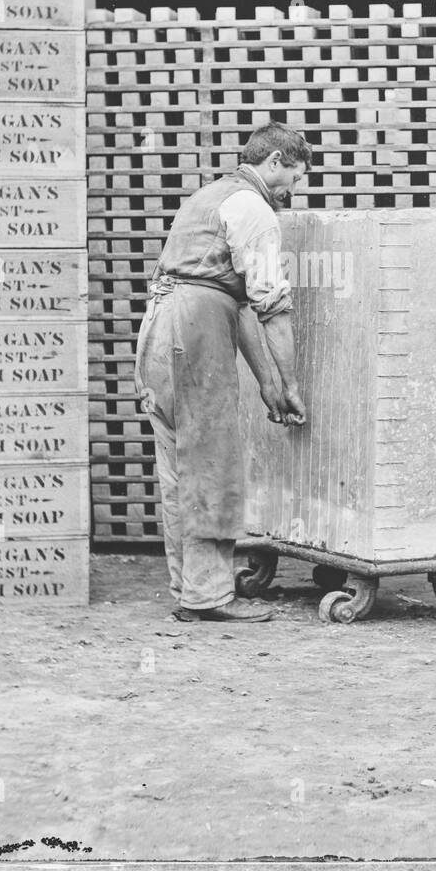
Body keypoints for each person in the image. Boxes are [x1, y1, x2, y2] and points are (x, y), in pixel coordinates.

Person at [134, 122, 311, 624]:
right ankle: (209, 597)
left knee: (178, 466)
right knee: (210, 461)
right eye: (292, 179)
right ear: (273, 160)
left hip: (160, 331)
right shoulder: (254, 209)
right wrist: (292, 385)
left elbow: (236, 306)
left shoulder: (210, 195)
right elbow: (271, 307)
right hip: (194, 332)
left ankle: (191, 587)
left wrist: (267, 383)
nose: (290, 193)